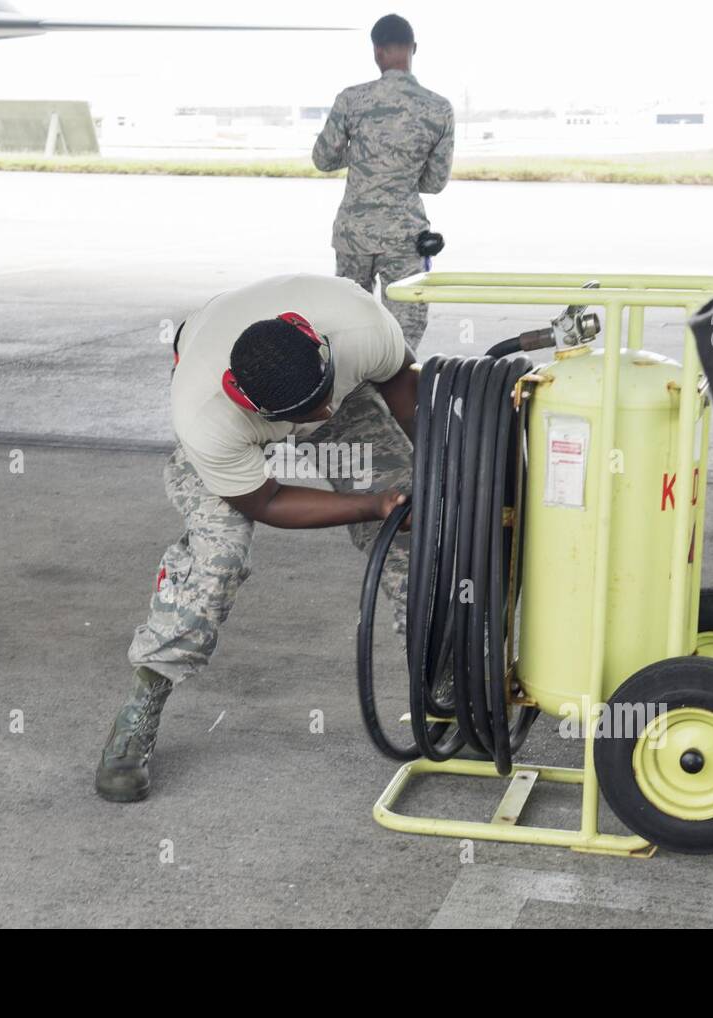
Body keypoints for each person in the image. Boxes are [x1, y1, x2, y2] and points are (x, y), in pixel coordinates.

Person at [95, 274, 419, 802]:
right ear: (256, 411)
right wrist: (368, 505)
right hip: (236, 400)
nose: (325, 418)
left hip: (334, 376)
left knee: (416, 517)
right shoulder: (208, 418)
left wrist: (428, 469)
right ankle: (141, 705)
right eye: (306, 416)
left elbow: (400, 380)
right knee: (217, 555)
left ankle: (439, 671)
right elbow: (264, 501)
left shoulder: (359, 326)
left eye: (323, 400)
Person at [312, 13, 454, 352]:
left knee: (346, 329)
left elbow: (323, 159)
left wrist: (362, 155)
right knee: (403, 337)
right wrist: (401, 164)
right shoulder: (439, 108)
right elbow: (435, 182)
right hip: (404, 238)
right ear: (413, 49)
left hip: (353, 236)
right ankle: (398, 399)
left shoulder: (352, 100)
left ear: (377, 52)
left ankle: (352, 399)